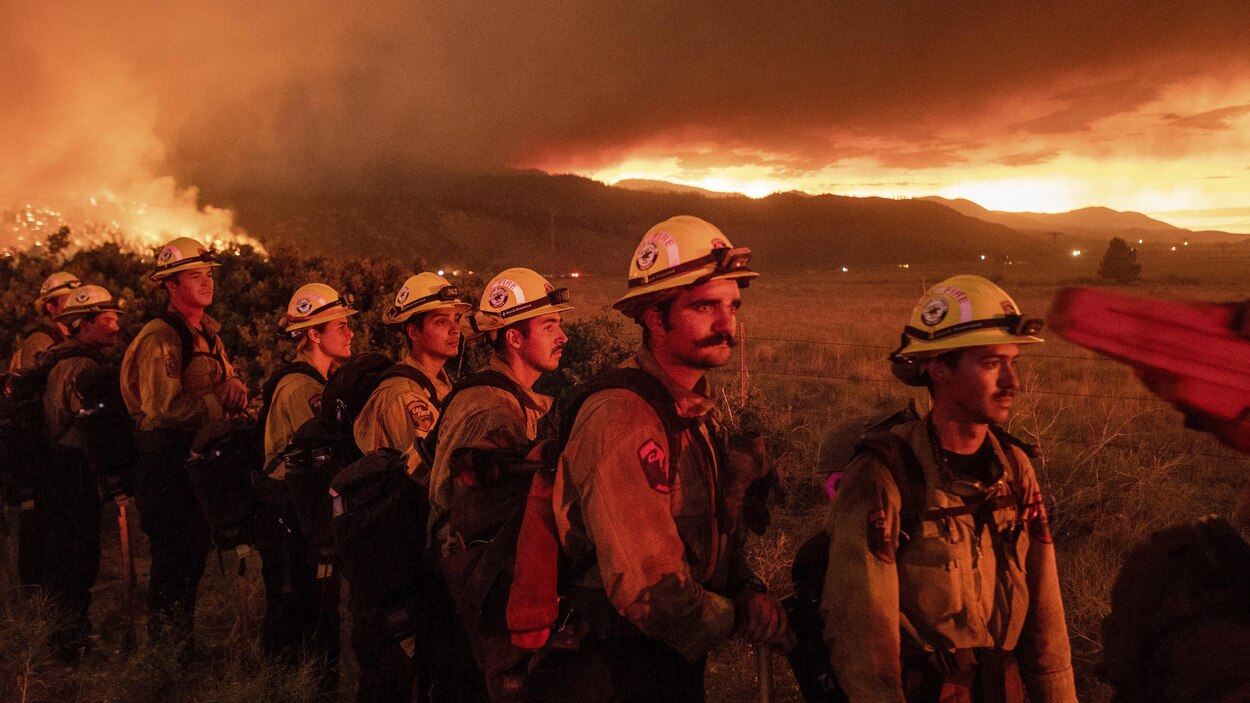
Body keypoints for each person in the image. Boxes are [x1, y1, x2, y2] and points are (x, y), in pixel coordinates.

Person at [543, 215, 791, 701]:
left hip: (664, 660)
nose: (726, 324)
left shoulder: (691, 411)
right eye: (704, 306)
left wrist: (743, 585)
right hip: (618, 667)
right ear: (655, 318)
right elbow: (650, 593)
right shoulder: (624, 419)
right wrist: (741, 616)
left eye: (732, 306)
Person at [822, 274, 1077, 703]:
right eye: (992, 363)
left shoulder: (1013, 467)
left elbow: (1046, 617)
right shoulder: (886, 473)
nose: (1012, 381)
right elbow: (862, 636)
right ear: (939, 369)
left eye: (1013, 362)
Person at [432, 267, 571, 702]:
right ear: (514, 337)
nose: (563, 336)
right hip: (471, 586)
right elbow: (483, 519)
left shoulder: (497, 397)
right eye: (549, 326)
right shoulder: (495, 410)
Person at [350, 272, 478, 703]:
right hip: (396, 550)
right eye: (441, 321)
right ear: (412, 330)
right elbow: (424, 475)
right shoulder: (402, 395)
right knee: (395, 672)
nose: (454, 329)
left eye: (456, 320)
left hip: (419, 545)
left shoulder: (439, 385)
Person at [120, 236, 249, 649]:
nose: (207, 282)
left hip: (193, 465)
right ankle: (167, 656)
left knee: (192, 556)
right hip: (166, 466)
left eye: (208, 274)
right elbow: (163, 409)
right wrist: (217, 401)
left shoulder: (207, 333)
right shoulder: (161, 338)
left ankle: (181, 647)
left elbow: (218, 379)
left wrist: (234, 386)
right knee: (174, 561)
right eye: (195, 276)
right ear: (171, 285)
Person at [255, 283, 356, 684]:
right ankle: (292, 686)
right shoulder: (304, 389)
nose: (349, 332)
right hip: (290, 513)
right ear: (314, 334)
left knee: (307, 604)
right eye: (340, 326)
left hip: (294, 509)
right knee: (301, 606)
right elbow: (322, 451)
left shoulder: (315, 381)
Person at [38, 284, 126, 661]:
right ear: (84, 323)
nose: (115, 328)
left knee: (68, 558)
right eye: (107, 320)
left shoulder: (62, 359)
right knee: (76, 559)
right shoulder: (82, 368)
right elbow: (87, 427)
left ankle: (68, 638)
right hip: (71, 471)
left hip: (59, 469)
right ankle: (70, 645)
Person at [7, 271, 83, 590]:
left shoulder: (63, 340)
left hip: (52, 442)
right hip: (39, 444)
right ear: (50, 307)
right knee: (40, 515)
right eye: (66, 300)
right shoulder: (41, 342)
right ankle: (35, 589)